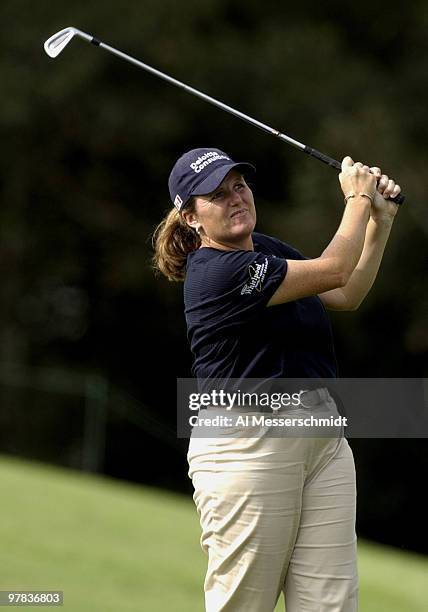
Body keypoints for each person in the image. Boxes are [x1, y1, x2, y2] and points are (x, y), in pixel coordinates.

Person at [152, 147, 401, 611]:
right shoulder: (215, 272)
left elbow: (344, 292)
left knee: (331, 603)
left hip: (321, 439)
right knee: (244, 603)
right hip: (246, 445)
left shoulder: (266, 250)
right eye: (216, 195)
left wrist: (379, 222)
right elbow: (334, 268)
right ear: (191, 218)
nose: (235, 198)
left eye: (238, 186)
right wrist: (357, 199)